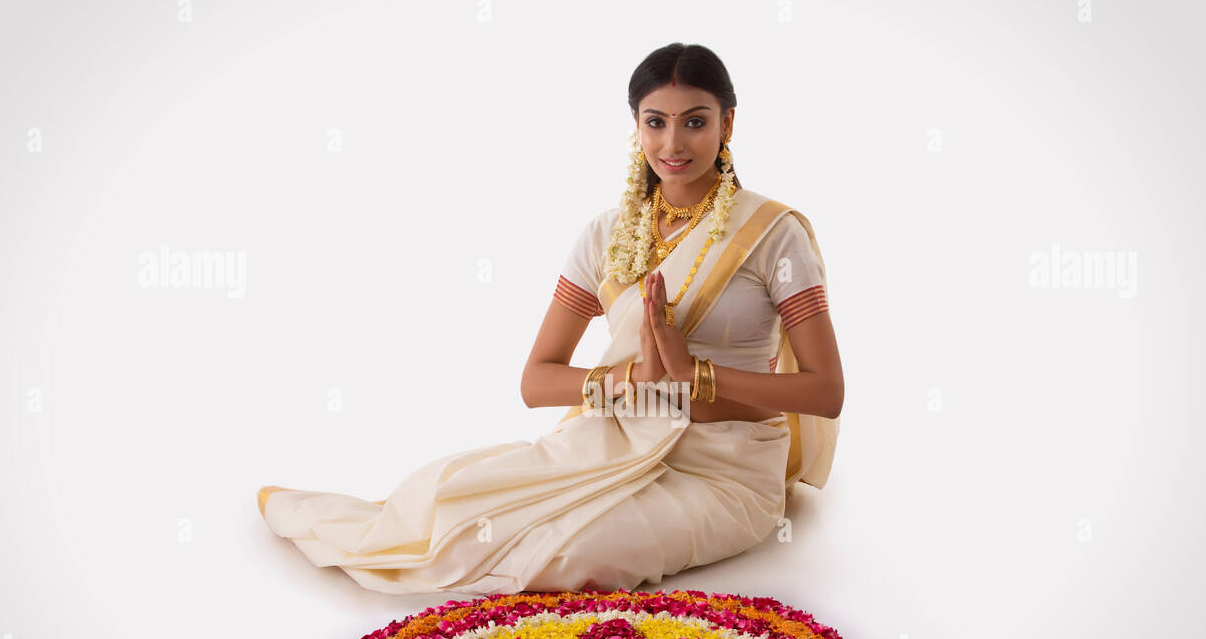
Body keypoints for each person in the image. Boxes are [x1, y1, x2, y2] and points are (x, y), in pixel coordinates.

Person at [257, 42, 844, 595]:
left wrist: (696, 376)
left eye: (695, 120)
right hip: (614, 436)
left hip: (726, 470)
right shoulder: (607, 235)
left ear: (728, 125)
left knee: (563, 557)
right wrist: (632, 383)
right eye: (654, 121)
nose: (673, 141)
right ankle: (303, 513)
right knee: (455, 499)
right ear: (636, 126)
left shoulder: (772, 233)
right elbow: (537, 380)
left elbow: (824, 392)